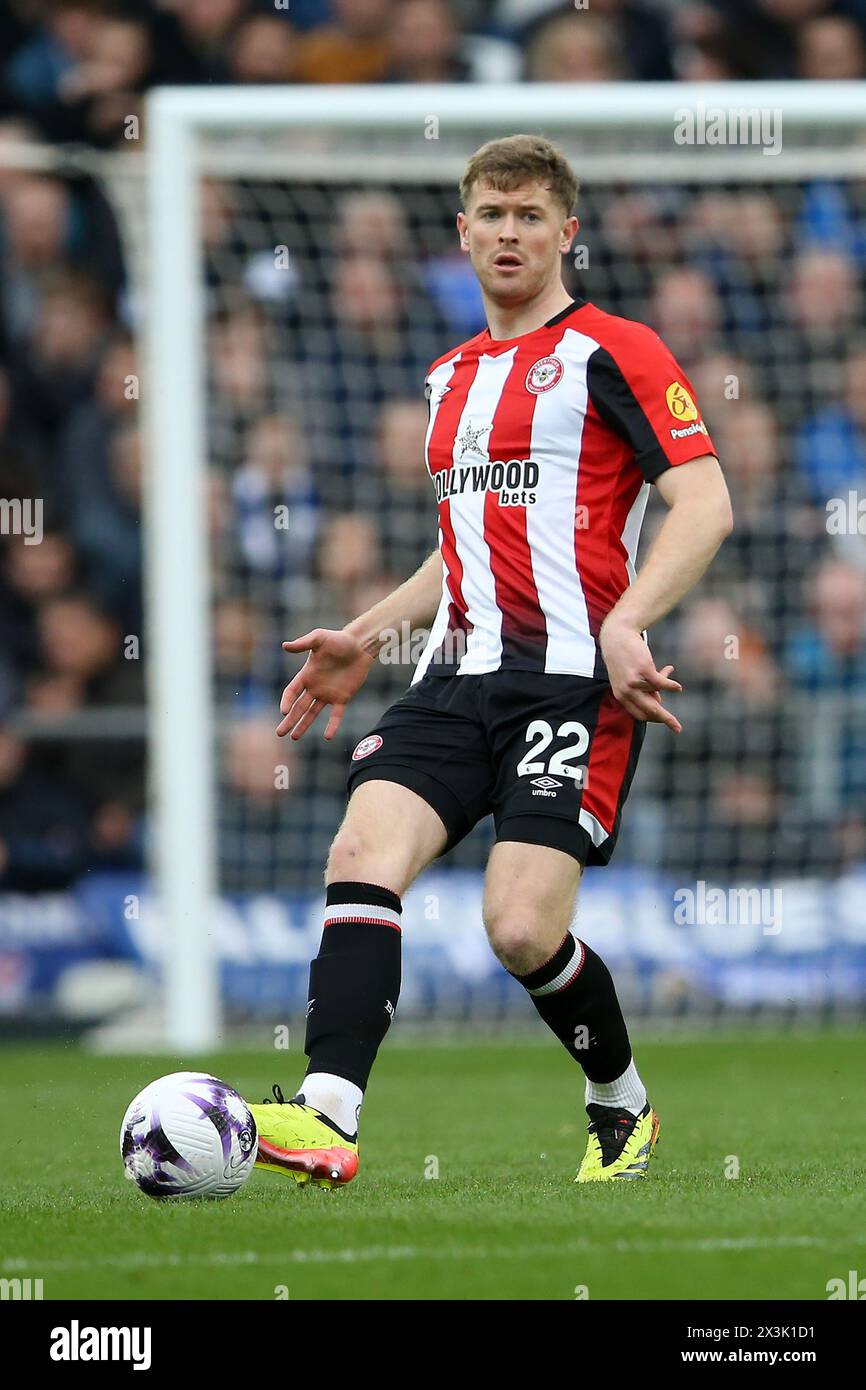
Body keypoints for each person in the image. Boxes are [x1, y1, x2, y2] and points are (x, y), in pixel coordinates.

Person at [248, 135, 732, 1186]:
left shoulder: (617, 351)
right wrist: (364, 637)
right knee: (359, 853)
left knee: (517, 928)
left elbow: (704, 500)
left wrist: (628, 619)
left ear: (566, 232)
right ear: (460, 232)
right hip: (453, 676)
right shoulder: (448, 378)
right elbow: (456, 544)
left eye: (528, 216)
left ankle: (621, 1100)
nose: (507, 233)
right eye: (489, 215)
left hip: (571, 681)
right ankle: (328, 1114)